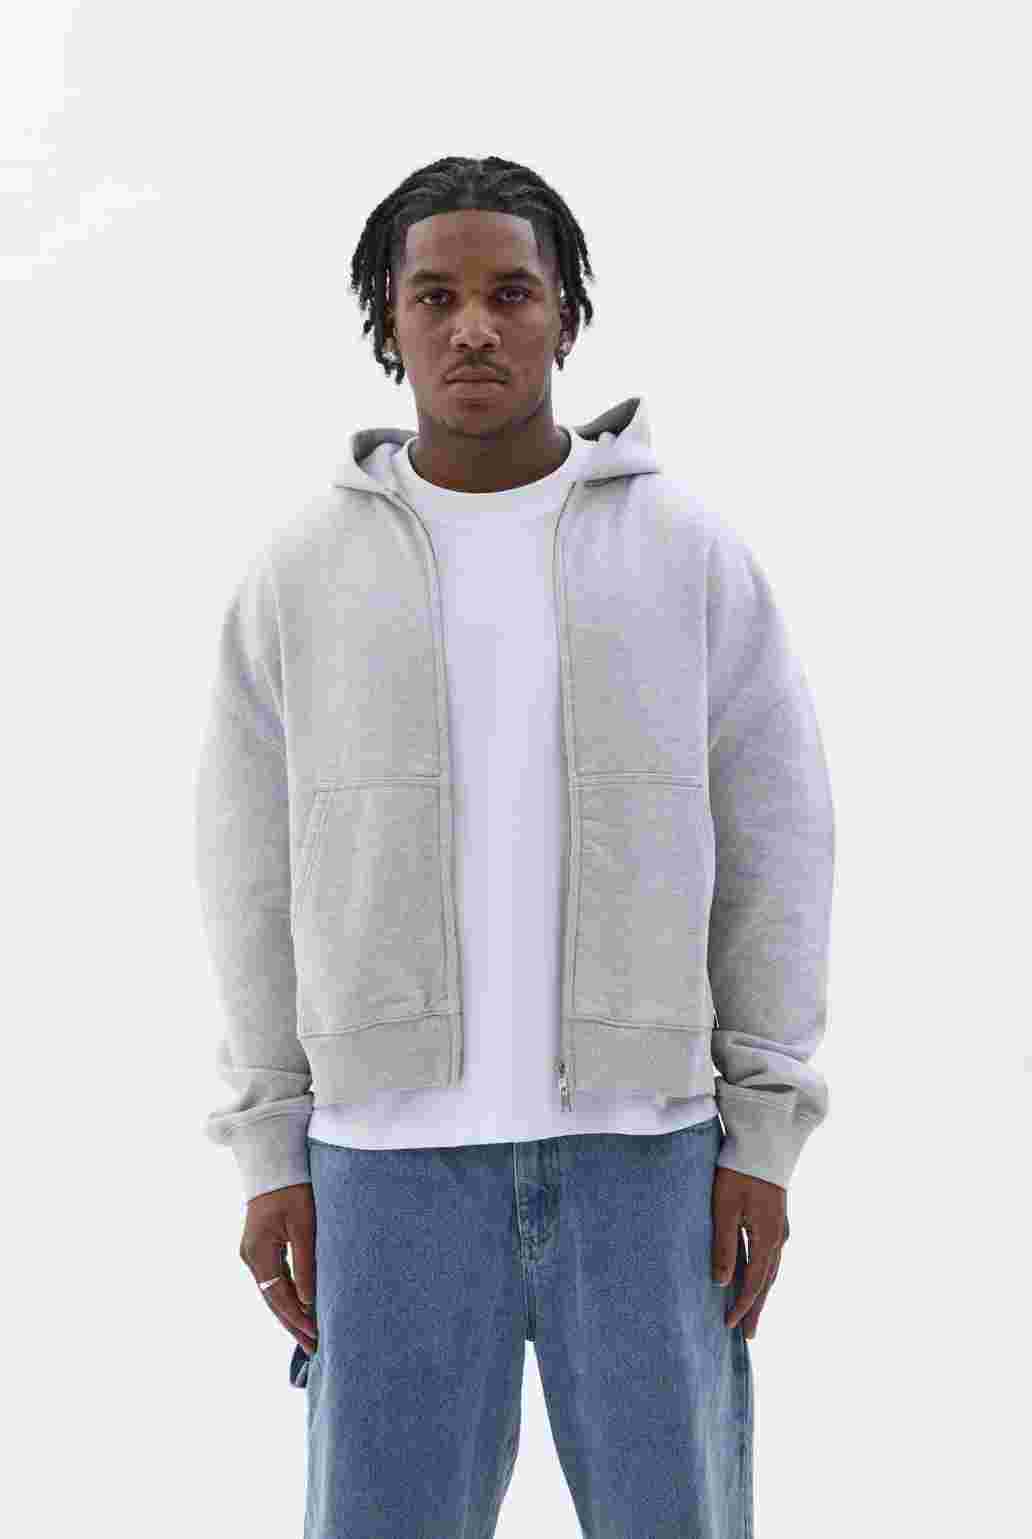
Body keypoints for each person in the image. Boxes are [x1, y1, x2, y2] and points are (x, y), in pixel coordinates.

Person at [195, 155, 835, 1539]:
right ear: (388, 321)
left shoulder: (687, 554)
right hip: (384, 1164)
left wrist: (766, 1132)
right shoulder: (299, 575)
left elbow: (779, 842)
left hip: (647, 1157)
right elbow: (247, 879)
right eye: (436, 297)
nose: (474, 327)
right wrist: (271, 1151)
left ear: (566, 314)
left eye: (512, 293)